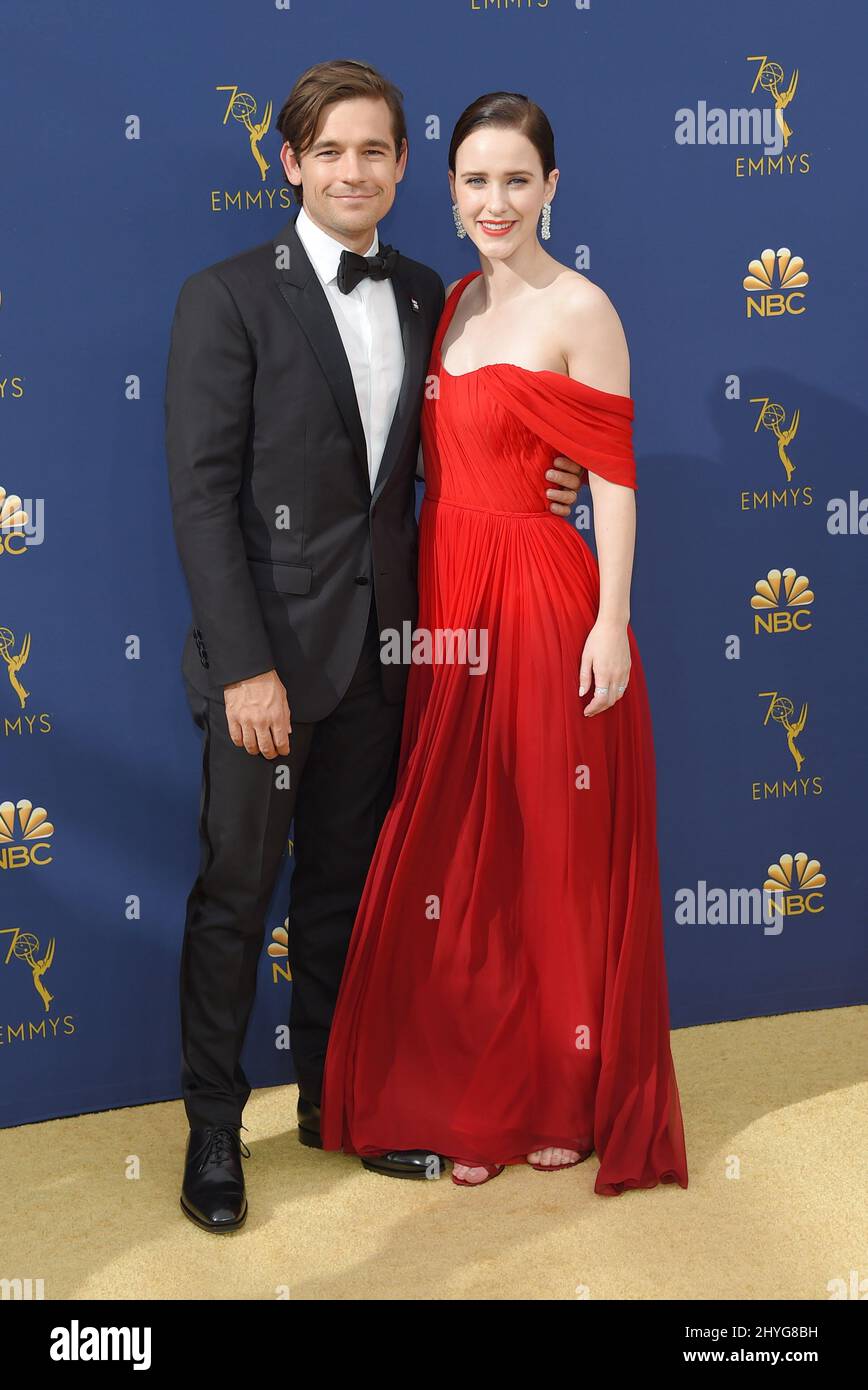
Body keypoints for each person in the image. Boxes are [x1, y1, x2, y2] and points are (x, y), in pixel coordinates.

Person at [164, 61, 584, 1232]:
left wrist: (552, 471)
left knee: (350, 895)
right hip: (268, 664)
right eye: (330, 151)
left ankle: (334, 1106)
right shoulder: (227, 294)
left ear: (405, 167)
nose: (355, 171)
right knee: (237, 896)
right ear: (289, 162)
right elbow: (201, 501)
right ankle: (210, 1133)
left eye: (376, 152)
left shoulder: (427, 295)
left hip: (387, 656)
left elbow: (482, 426)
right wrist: (245, 665)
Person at [319, 92, 689, 1196]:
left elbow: (614, 478)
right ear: (448, 190)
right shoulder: (454, 305)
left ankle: (560, 1095)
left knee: (546, 851)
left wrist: (610, 621)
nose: (495, 200)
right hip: (447, 606)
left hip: (538, 603)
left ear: (552, 188)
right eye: (475, 181)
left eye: (516, 180)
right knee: (458, 850)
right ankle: (475, 1084)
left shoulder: (585, 308)